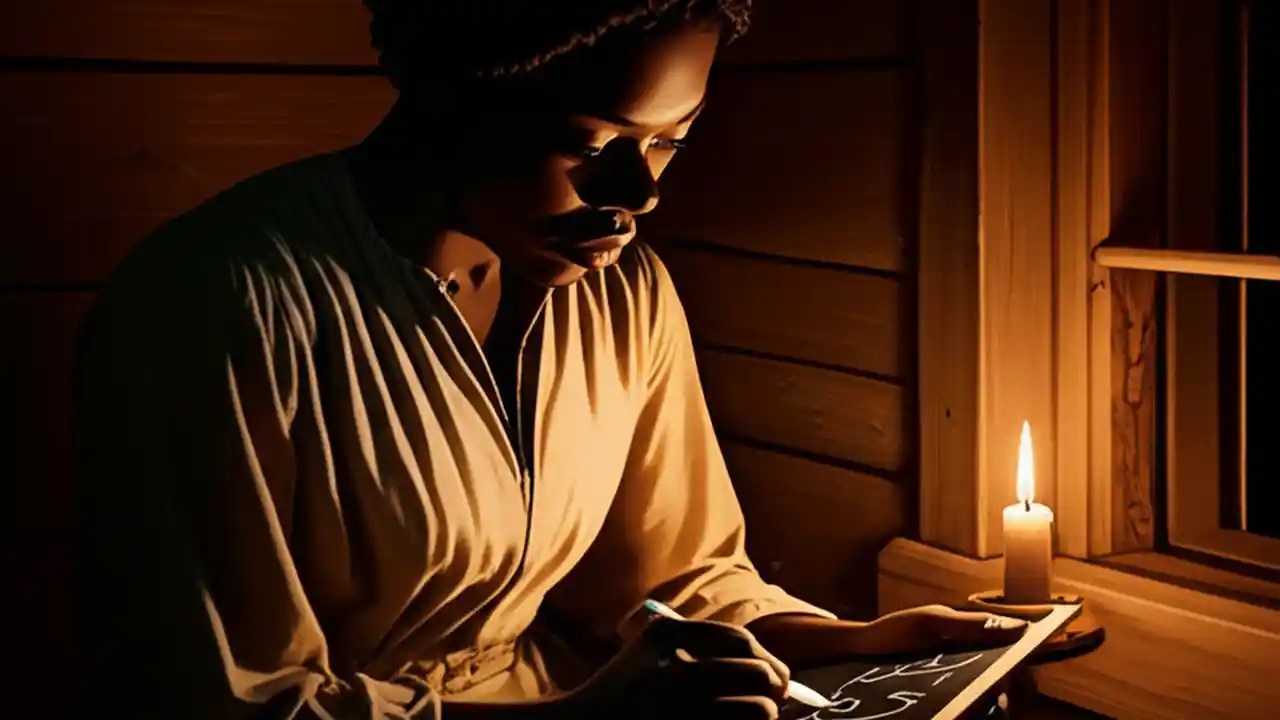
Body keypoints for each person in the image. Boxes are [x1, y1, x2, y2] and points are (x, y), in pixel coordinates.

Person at [70, 2, 1026, 718]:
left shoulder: (622, 293)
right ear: (456, 95)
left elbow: (675, 576)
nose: (637, 193)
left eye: (670, 143)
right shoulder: (217, 302)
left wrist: (846, 646)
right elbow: (228, 697)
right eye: (593, 141)